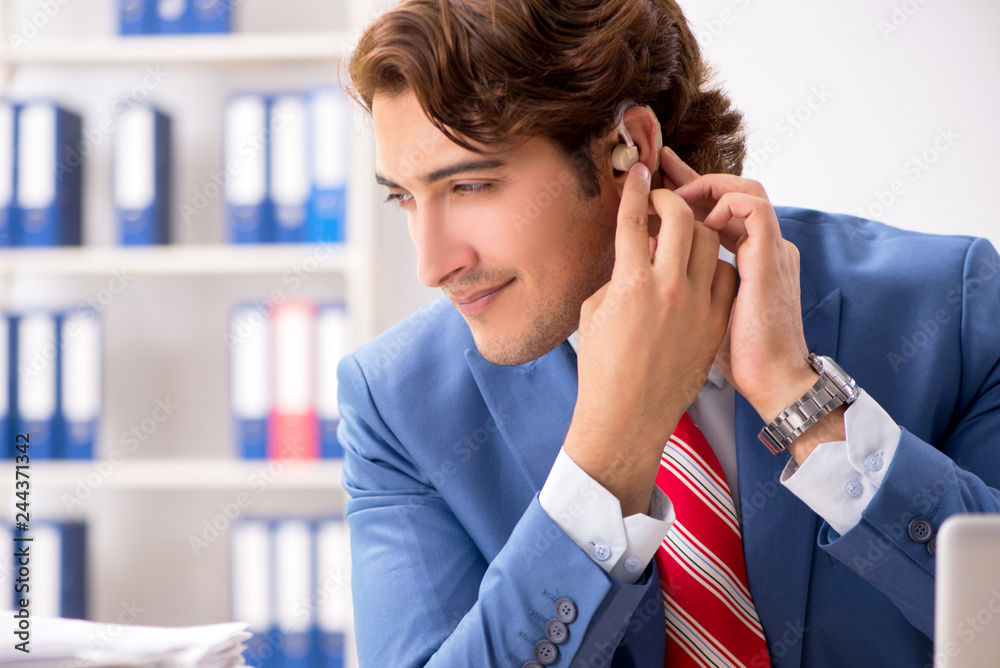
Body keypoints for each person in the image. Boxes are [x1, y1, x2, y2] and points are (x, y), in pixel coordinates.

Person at [336, 1, 1000, 666]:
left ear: (629, 149)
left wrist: (802, 402)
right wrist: (609, 450)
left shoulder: (952, 307)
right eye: (404, 198)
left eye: (471, 185)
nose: (431, 265)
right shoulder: (396, 405)